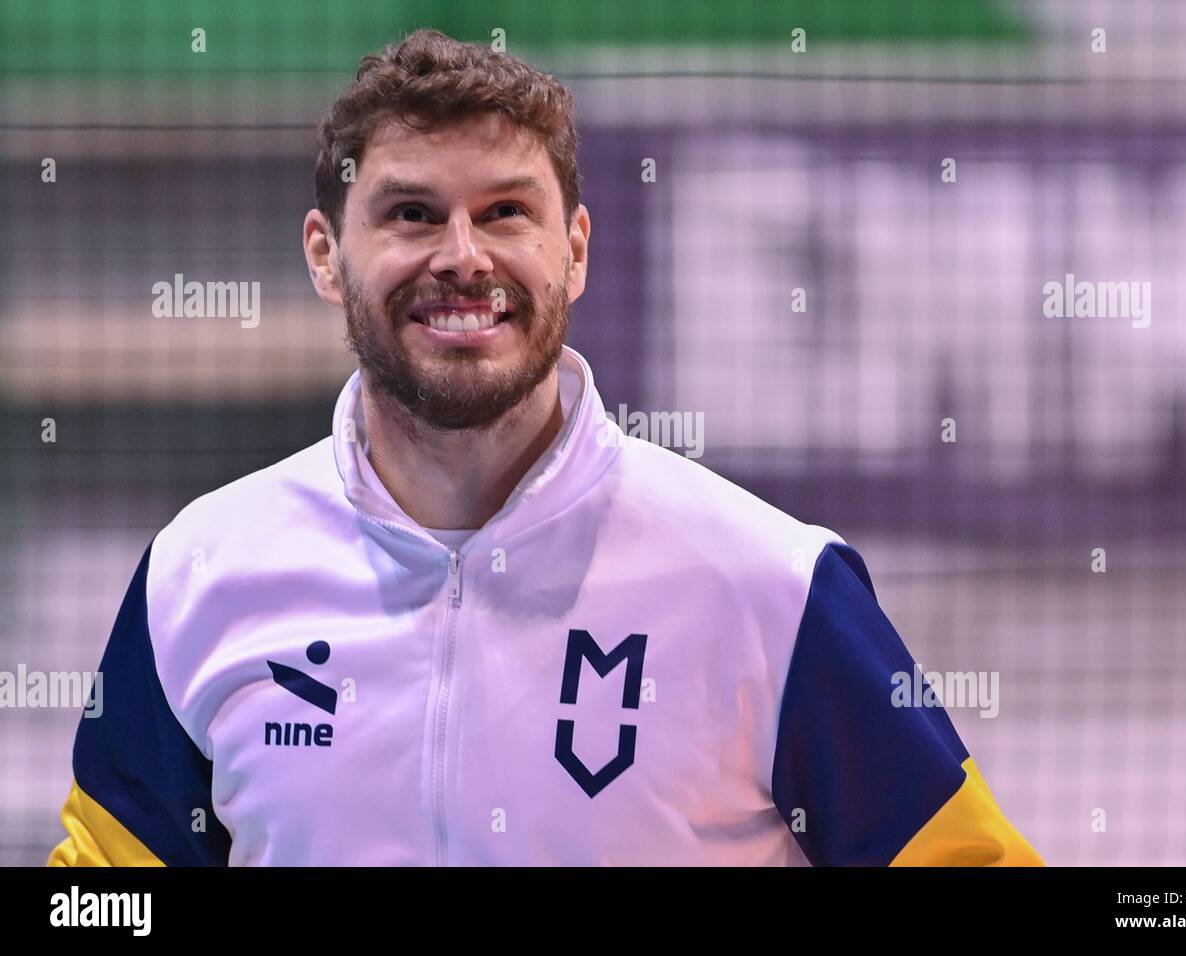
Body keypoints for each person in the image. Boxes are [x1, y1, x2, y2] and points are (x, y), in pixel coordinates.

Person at [48, 28, 1042, 866]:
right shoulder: (201, 571)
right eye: (411, 213)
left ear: (573, 248)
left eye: (505, 212)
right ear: (325, 251)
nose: (462, 256)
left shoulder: (770, 585)